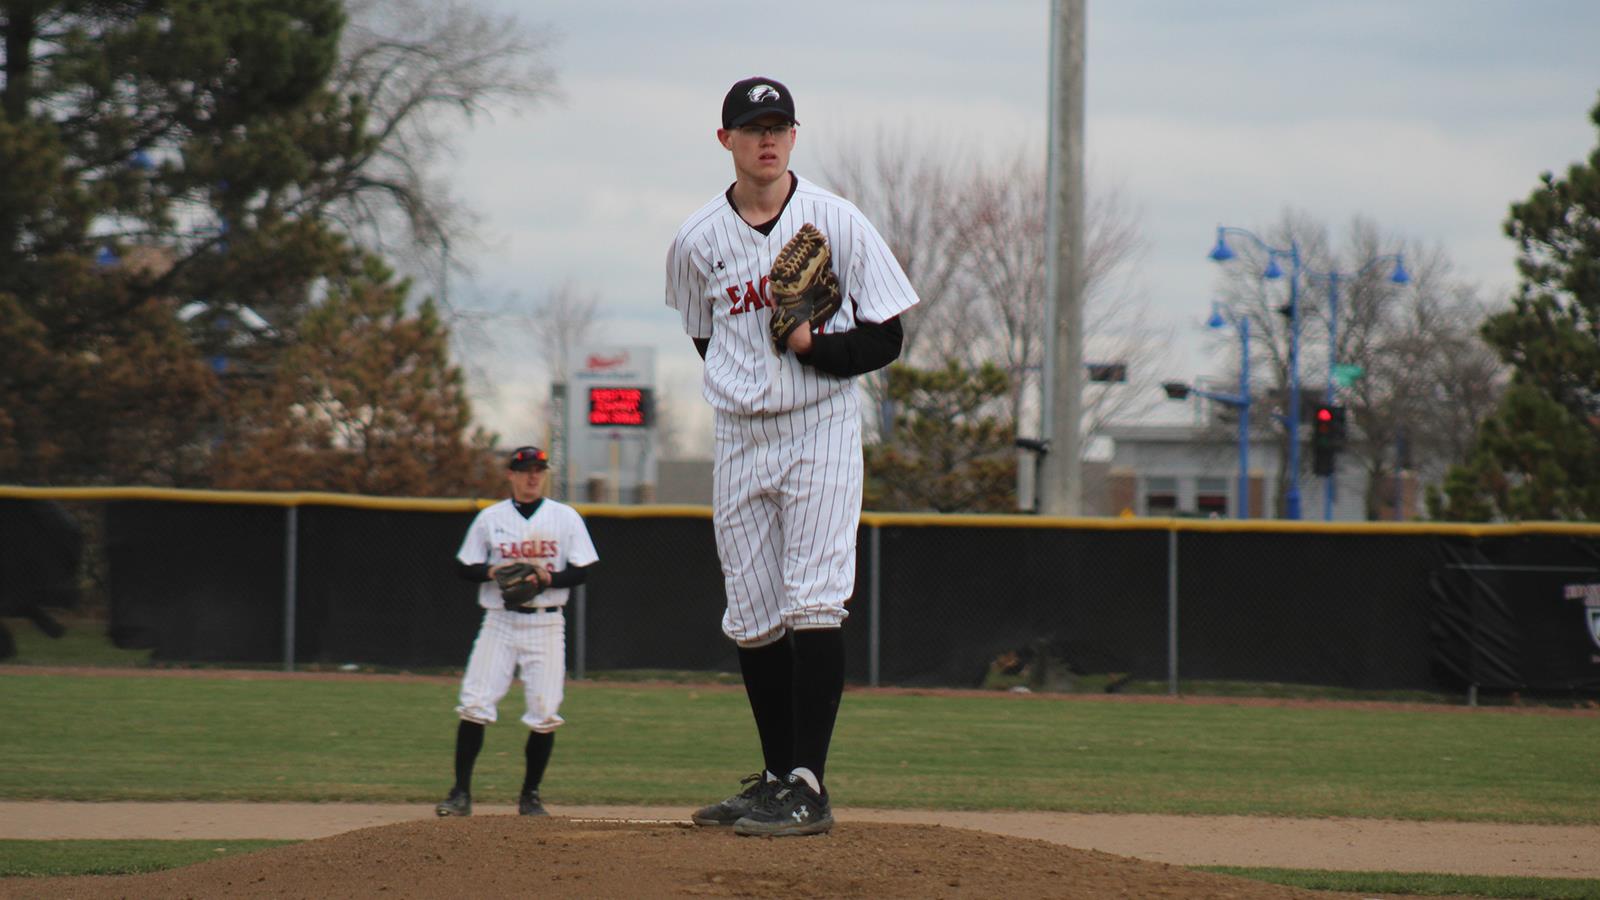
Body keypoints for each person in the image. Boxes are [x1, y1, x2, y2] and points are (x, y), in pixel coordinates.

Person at [664, 76, 919, 837]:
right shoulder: (696, 239)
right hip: (740, 434)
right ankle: (775, 778)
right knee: (749, 615)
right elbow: (705, 334)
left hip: (821, 428)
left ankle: (809, 782)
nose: (767, 139)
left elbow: (889, 334)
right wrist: (754, 371)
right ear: (727, 141)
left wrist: (814, 346)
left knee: (813, 598)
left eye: (779, 126)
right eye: (753, 128)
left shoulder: (836, 220)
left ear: (794, 137)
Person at [435, 445, 599, 818]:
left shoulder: (565, 517)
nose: (532, 475)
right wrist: (492, 571)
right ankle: (460, 793)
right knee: (475, 704)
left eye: (538, 469)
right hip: (500, 621)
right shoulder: (490, 518)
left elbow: (582, 571)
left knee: (544, 712)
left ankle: (531, 796)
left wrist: (547, 576)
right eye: (525, 469)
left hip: (547, 622)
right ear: (511, 474)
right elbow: (465, 567)